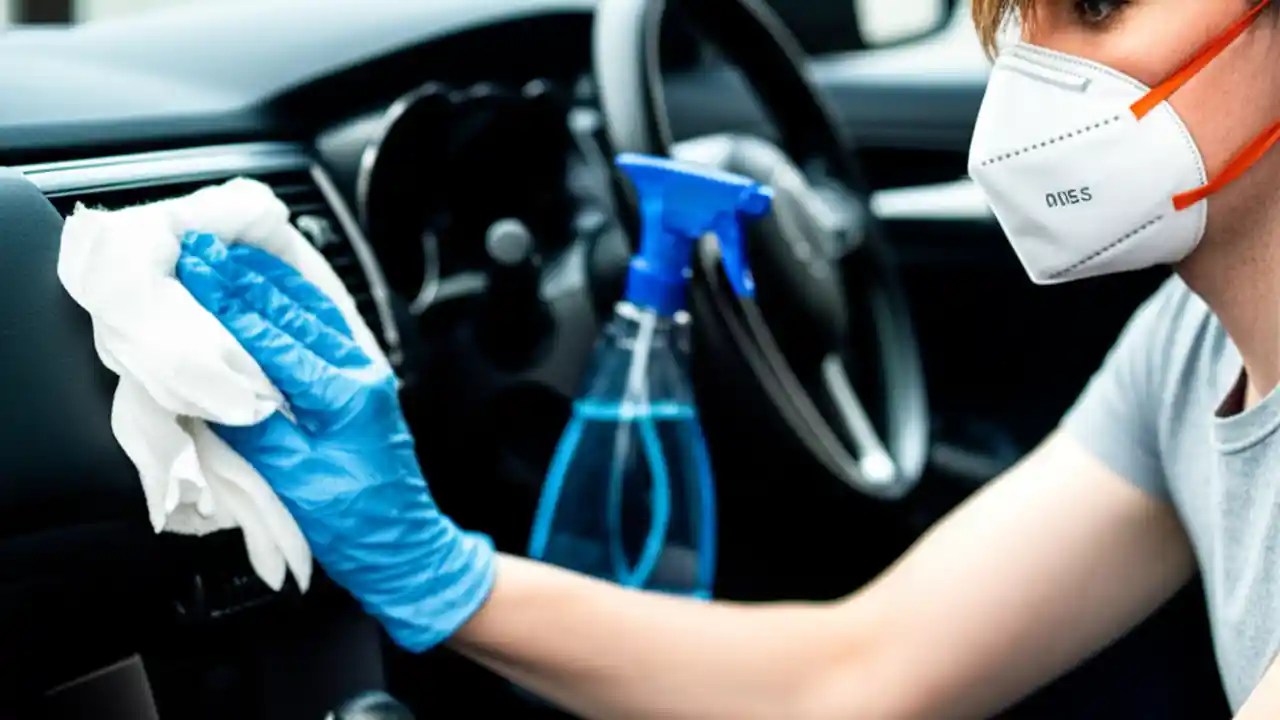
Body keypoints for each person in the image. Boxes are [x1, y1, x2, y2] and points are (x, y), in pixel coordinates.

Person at [173, 0, 1280, 716]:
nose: (1028, 78)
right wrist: (433, 576)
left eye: (1088, 6)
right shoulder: (1185, 352)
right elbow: (857, 674)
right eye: (1015, 24)